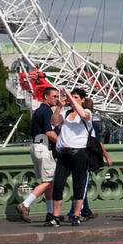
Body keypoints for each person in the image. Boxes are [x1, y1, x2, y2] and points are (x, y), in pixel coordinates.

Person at [50, 88, 92, 226]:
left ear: (82, 100)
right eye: (72, 97)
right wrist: (59, 107)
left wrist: (71, 99)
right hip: (63, 153)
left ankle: (76, 215)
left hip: (79, 153)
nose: (72, 100)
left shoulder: (87, 113)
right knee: (58, 184)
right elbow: (54, 122)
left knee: (78, 185)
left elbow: (83, 114)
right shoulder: (66, 112)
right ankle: (55, 216)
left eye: (76, 97)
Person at [18, 86, 61, 222]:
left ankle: (50, 212)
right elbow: (49, 133)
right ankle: (25, 204)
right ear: (46, 97)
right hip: (43, 147)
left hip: (36, 146)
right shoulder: (46, 111)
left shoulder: (39, 111)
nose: (57, 99)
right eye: (54, 96)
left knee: (48, 181)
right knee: (49, 181)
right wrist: (62, 143)